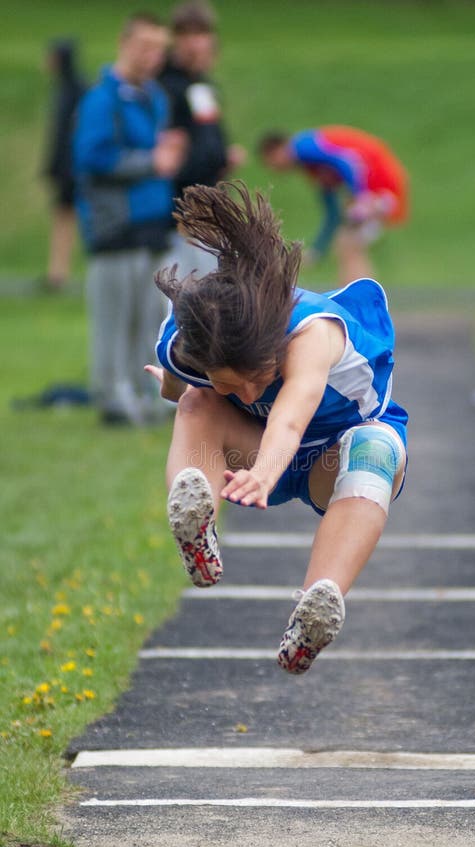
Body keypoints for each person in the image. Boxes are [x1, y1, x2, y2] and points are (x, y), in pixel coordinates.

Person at [145, 182, 408, 675]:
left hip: (334, 454)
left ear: (274, 348)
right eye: (233, 384)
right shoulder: (197, 337)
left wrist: (266, 471)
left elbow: (293, 411)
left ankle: (317, 603)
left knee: (375, 447)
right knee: (199, 403)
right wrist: (179, 385)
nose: (247, 395)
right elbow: (183, 389)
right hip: (253, 449)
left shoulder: (313, 332)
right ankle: (197, 523)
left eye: (257, 380)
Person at [73, 12, 187, 425]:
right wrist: (150, 161)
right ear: (125, 44)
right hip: (114, 225)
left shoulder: (155, 96)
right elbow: (90, 158)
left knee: (149, 316)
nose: (152, 57)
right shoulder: (102, 99)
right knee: (113, 317)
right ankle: (112, 396)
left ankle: (149, 390)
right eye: (145, 47)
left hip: (151, 224)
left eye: (159, 49)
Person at [158, 1, 246, 279]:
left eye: (202, 34)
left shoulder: (203, 86)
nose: (196, 44)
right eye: (187, 35)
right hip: (178, 215)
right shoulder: (164, 87)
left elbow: (207, 137)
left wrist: (222, 156)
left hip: (209, 208)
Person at [259, 125, 409, 285]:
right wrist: (317, 250)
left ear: (277, 150)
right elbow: (332, 213)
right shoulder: (311, 168)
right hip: (375, 188)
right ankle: (357, 297)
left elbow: (346, 162)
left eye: (270, 161)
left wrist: (361, 198)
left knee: (349, 245)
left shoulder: (302, 148)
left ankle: (357, 300)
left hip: (378, 183)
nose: (273, 168)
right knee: (349, 245)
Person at [41, 38, 87, 292]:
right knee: (63, 218)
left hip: (73, 169)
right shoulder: (66, 88)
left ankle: (61, 271)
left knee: (71, 218)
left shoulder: (74, 91)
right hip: (66, 168)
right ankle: (57, 270)